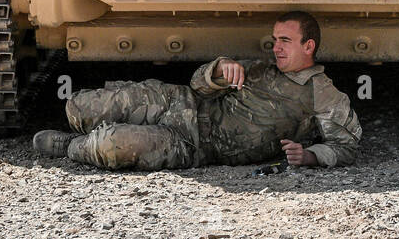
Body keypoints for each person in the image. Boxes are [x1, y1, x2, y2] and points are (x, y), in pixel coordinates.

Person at [33, 11, 362, 170]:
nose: (276, 47)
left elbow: (346, 146)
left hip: (197, 144)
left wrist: (310, 156)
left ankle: (71, 146)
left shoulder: (324, 94)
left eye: (285, 41)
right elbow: (197, 84)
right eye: (275, 40)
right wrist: (218, 71)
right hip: (180, 102)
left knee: (112, 145)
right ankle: (79, 125)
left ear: (309, 46)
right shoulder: (260, 67)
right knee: (80, 106)